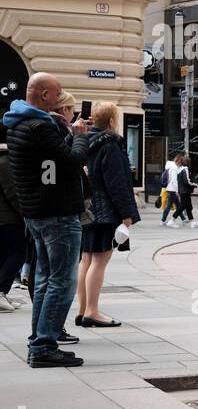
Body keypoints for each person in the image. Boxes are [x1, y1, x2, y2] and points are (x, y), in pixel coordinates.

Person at [2, 72, 91, 367]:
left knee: (44, 279)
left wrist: (61, 131)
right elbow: (71, 163)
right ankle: (43, 346)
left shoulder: (19, 123)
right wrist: (78, 137)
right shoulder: (40, 127)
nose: (59, 97)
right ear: (43, 95)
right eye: (57, 93)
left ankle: (39, 340)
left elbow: (49, 163)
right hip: (57, 212)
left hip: (36, 212)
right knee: (61, 281)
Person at [75, 102, 138, 328]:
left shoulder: (83, 141)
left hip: (87, 209)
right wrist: (126, 214)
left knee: (86, 260)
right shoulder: (109, 146)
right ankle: (92, 311)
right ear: (111, 122)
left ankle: (82, 310)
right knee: (99, 261)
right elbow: (117, 184)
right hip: (105, 211)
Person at [0, 128, 27, 313]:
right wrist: (25, 212)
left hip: (4, 217)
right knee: (19, 252)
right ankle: (1, 290)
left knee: (4, 254)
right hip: (8, 217)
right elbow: (12, 192)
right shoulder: (5, 160)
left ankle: (2, 293)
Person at [175, 155, 198, 227]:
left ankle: (192, 221)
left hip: (183, 191)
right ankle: (172, 219)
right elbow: (187, 181)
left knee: (189, 207)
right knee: (183, 206)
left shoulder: (180, 169)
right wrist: (196, 185)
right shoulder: (185, 169)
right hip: (185, 191)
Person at [160, 153, 182, 226]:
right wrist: (176, 190)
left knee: (178, 205)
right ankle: (163, 220)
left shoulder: (170, 167)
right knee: (169, 205)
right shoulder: (174, 168)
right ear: (178, 161)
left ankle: (184, 219)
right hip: (172, 189)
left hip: (169, 188)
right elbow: (174, 180)